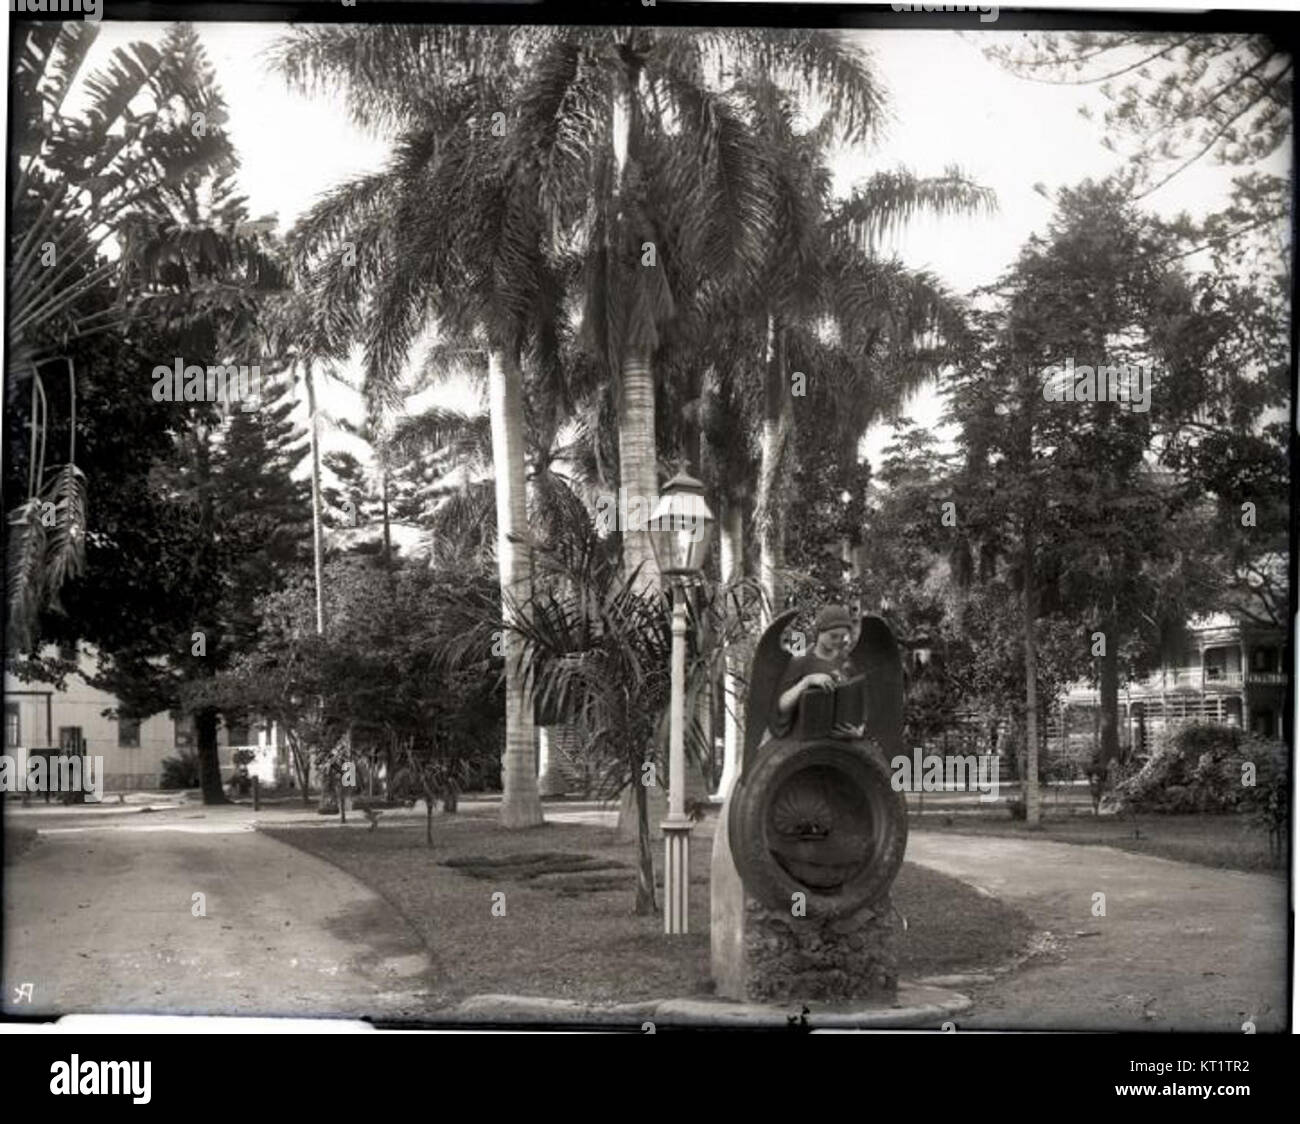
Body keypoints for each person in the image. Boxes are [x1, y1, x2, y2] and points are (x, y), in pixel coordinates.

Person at [769, 604, 867, 740]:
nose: (839, 641)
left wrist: (857, 730)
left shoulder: (846, 661)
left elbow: (860, 702)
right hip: (808, 742)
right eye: (833, 636)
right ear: (820, 632)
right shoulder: (801, 660)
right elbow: (782, 706)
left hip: (841, 742)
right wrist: (807, 681)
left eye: (842, 636)